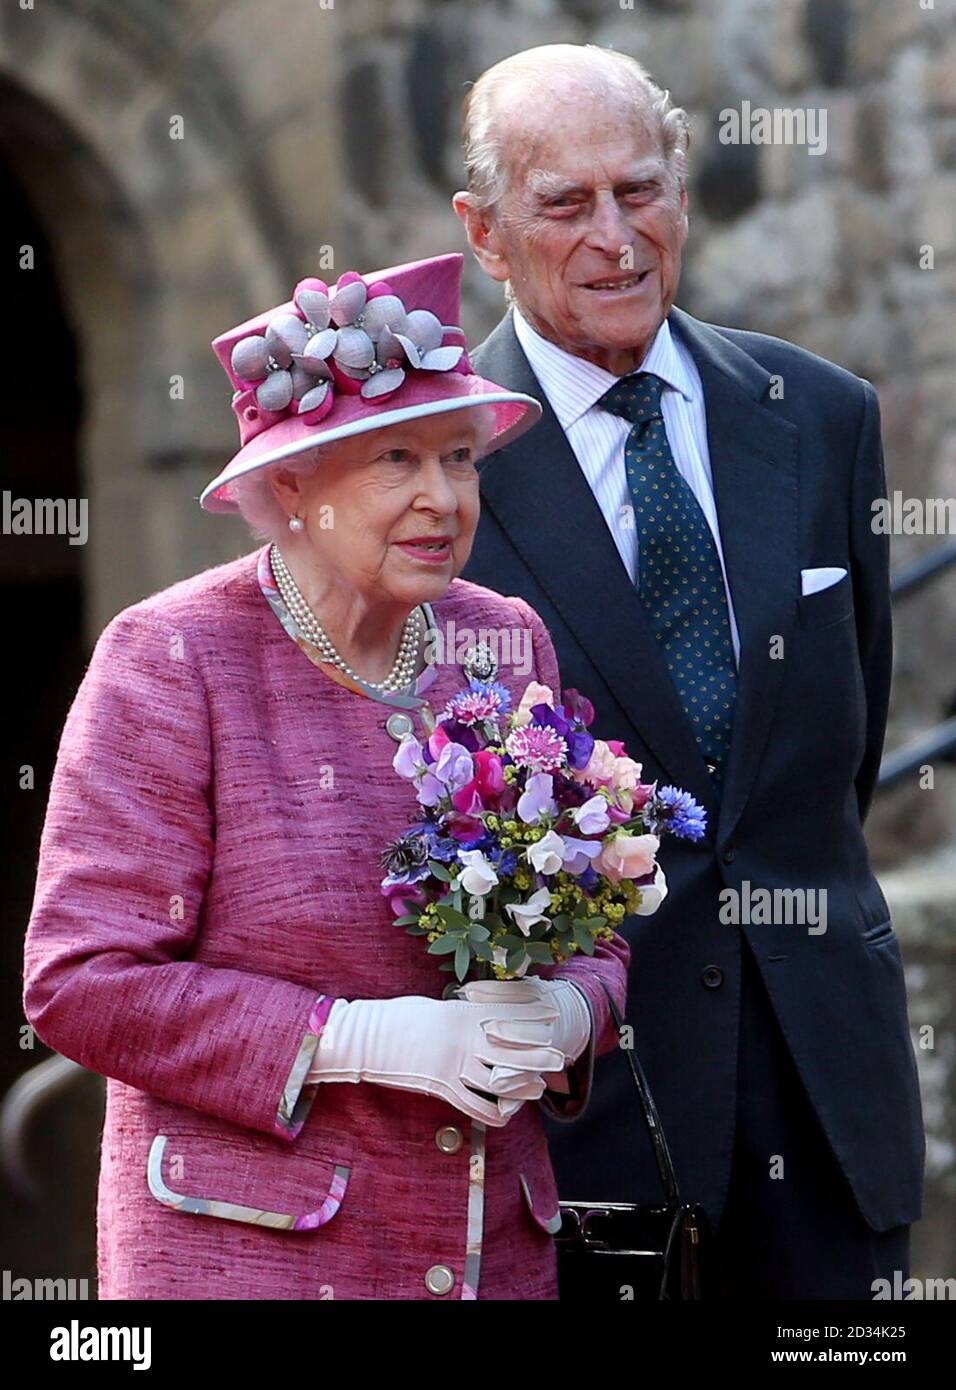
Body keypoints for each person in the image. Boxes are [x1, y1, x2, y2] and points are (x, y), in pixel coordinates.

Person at [21, 251, 630, 1301]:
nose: (443, 498)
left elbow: (594, 921)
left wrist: (570, 1014)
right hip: (249, 1255)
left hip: (489, 1248)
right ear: (291, 483)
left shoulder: (501, 641)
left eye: (460, 457)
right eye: (397, 459)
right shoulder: (170, 657)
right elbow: (82, 982)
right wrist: (357, 1038)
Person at [453, 43, 925, 1298]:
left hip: (832, 1114)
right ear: (486, 235)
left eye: (641, 189)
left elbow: (845, 743)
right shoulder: (438, 472)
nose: (616, 235)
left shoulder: (820, 416)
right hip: (587, 1129)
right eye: (564, 205)